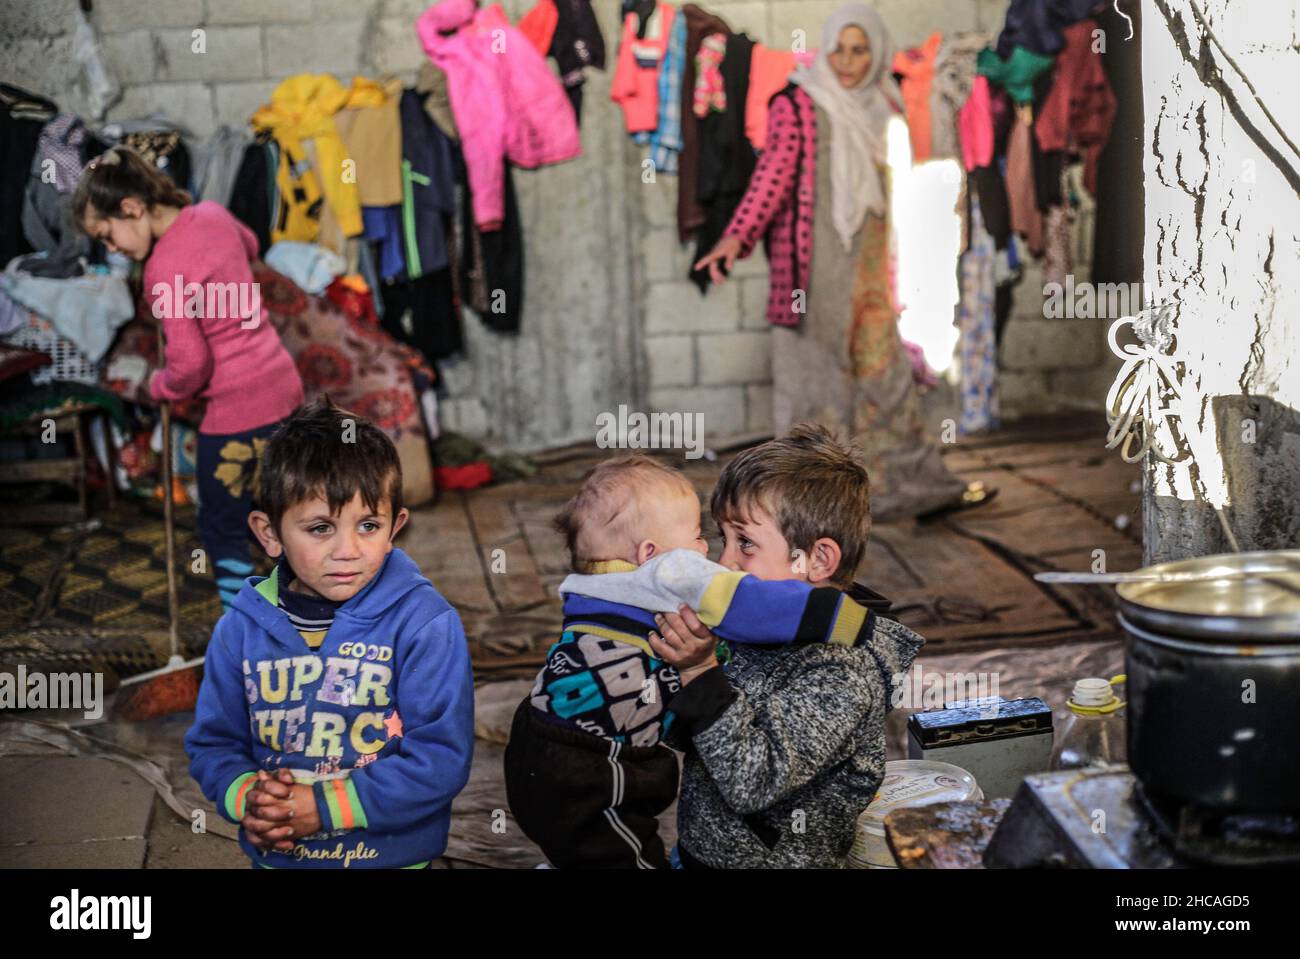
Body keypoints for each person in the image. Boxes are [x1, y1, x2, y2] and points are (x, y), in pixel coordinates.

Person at [503, 452, 891, 868]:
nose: (721, 561)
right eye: (722, 539)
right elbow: (698, 735)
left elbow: (752, 782)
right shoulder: (746, 630)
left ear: (817, 560)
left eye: (744, 542)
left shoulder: (842, 674)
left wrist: (699, 671)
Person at [693, 4, 992, 521]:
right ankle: (795, 506)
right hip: (812, 273)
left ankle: (907, 489)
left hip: (869, 269)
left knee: (884, 379)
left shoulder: (883, 104)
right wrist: (735, 237)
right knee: (814, 383)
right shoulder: (799, 103)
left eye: (859, 49)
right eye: (838, 48)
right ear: (825, 49)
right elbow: (771, 180)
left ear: (874, 50)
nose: (848, 60)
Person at [184, 398, 475, 868]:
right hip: (281, 857)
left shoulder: (425, 625)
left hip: (392, 859)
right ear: (270, 534)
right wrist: (252, 800)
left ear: (395, 526)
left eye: (368, 525)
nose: (348, 551)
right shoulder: (239, 630)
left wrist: (321, 807)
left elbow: (441, 758)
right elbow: (214, 743)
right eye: (320, 528)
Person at [73, 145, 304, 609]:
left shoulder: (162, 270)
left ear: (132, 207)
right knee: (285, 510)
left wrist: (159, 386)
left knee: (220, 524)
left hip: (239, 410)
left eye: (108, 234)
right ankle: (310, 607)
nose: (112, 247)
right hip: (284, 385)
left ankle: (249, 627)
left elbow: (192, 365)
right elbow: (252, 245)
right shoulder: (212, 213)